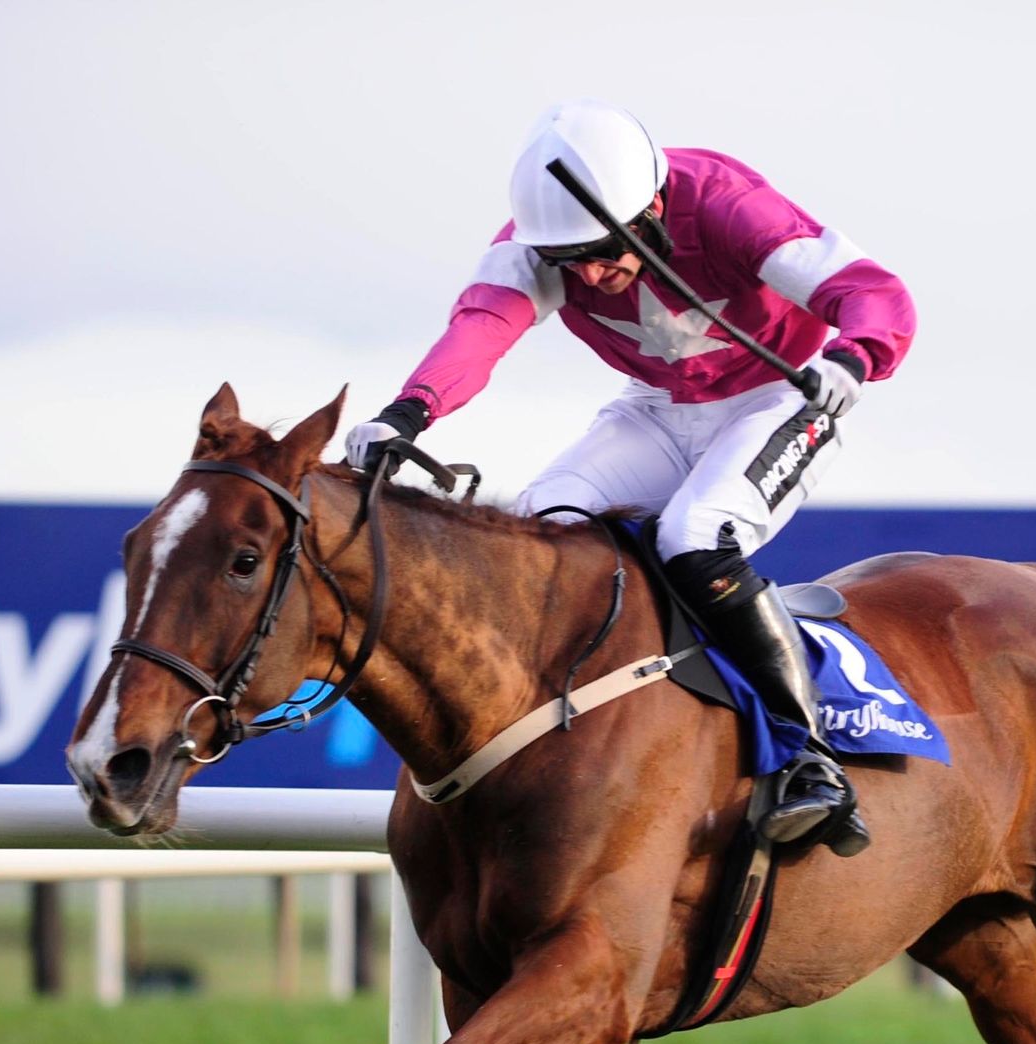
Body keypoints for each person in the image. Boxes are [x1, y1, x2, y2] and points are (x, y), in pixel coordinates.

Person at [345, 100, 915, 856]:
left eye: (603, 250)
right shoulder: (533, 244)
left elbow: (878, 295)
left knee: (694, 537)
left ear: (651, 205)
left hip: (779, 397)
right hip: (656, 405)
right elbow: (480, 329)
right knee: (541, 528)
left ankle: (807, 757)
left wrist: (854, 355)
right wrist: (407, 414)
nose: (588, 274)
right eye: (567, 261)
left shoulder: (727, 205)